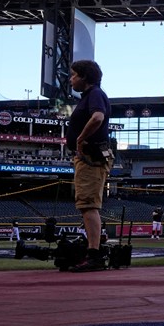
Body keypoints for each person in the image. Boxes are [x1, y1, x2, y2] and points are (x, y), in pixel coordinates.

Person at [65, 59, 113, 272]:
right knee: (87, 205)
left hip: (91, 157)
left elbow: (98, 117)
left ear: (84, 77)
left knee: (88, 205)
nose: (71, 79)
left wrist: (80, 139)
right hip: (91, 156)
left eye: (74, 75)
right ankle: (93, 251)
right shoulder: (91, 95)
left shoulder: (94, 94)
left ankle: (94, 254)